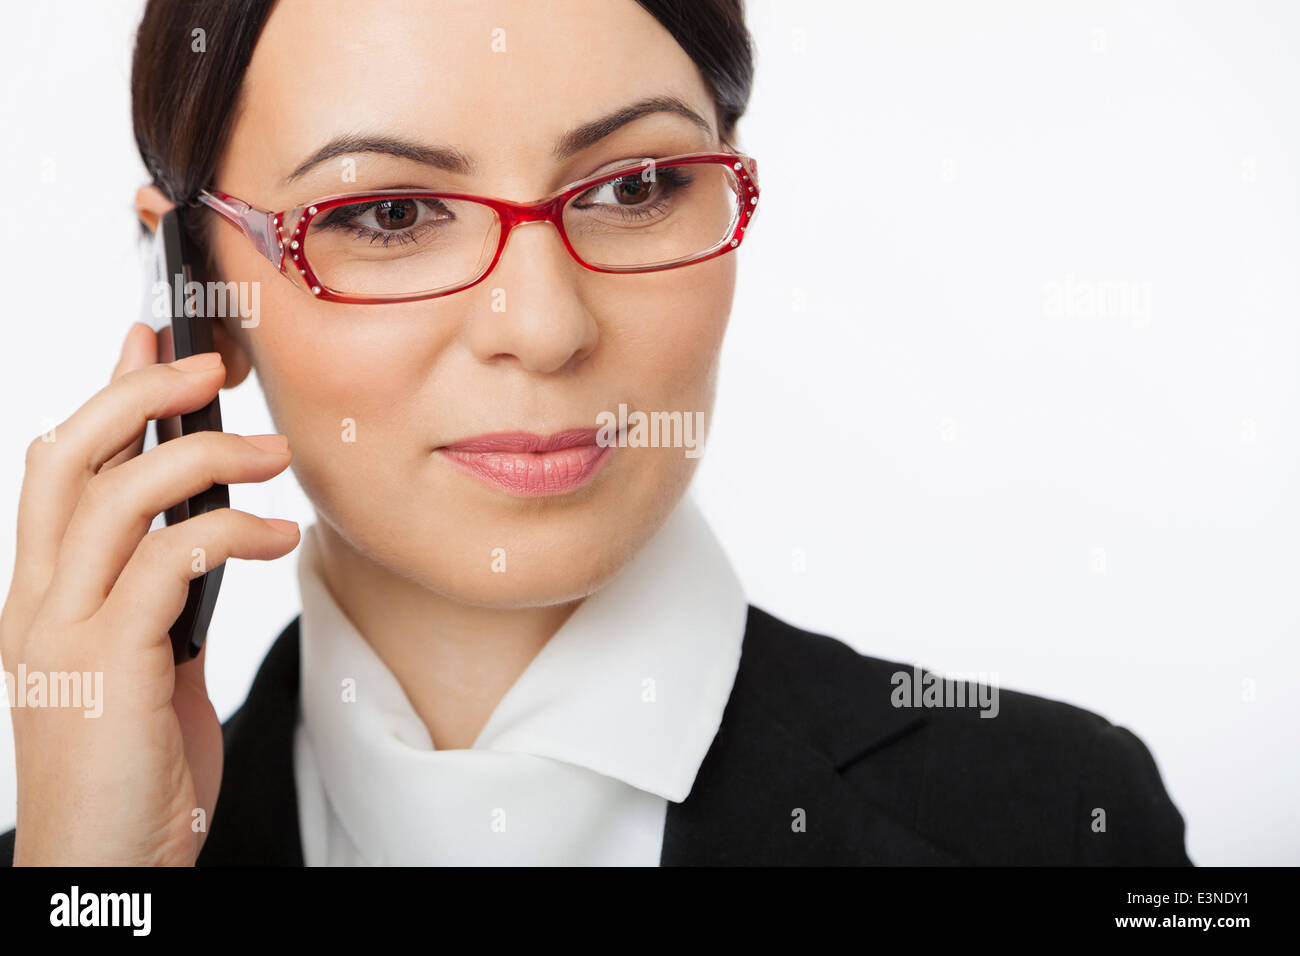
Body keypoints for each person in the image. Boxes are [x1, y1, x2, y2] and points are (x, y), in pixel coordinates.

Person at [0, 0, 1190, 866]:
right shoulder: (87, 867)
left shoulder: (1056, 819)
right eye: (390, 211)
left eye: (636, 187)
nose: (544, 323)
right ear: (199, 283)